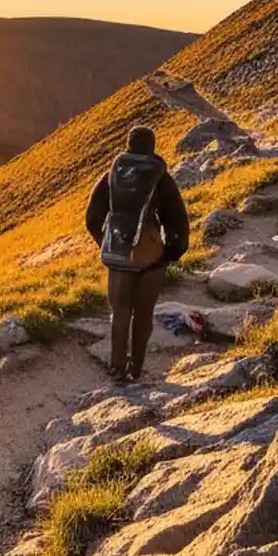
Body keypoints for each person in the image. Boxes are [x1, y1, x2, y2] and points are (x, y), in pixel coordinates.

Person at [84, 125, 189, 381]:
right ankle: (136, 368)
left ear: (128, 144)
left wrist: (106, 243)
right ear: (152, 146)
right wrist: (170, 253)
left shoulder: (112, 175)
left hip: (118, 256)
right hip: (151, 257)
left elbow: (92, 218)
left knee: (119, 313)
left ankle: (116, 368)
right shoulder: (160, 178)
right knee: (143, 316)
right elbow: (176, 219)